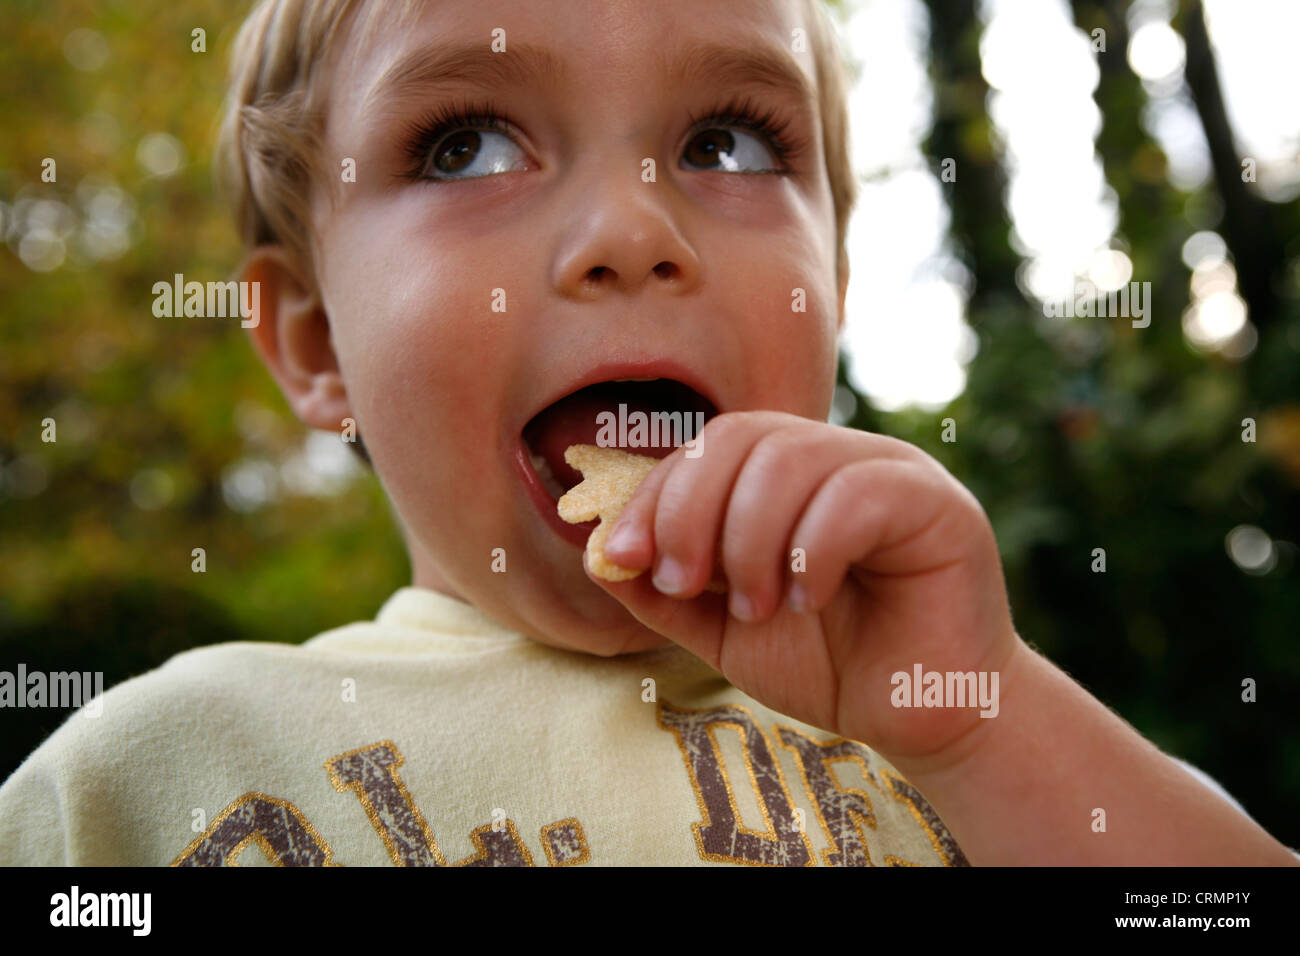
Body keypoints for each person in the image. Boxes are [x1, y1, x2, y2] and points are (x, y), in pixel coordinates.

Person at [1, 0, 1295, 866]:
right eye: (463, 147)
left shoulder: (964, 763)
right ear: (316, 343)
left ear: (835, 287)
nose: (633, 234)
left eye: (727, 141)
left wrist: (981, 721)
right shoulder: (139, 778)